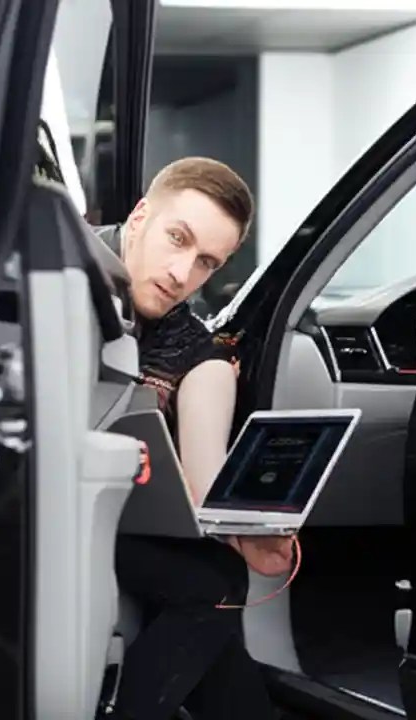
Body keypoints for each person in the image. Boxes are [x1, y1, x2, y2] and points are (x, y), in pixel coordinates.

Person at [95, 157, 294, 720]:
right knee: (214, 587)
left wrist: (242, 535)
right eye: (176, 239)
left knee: (218, 581)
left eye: (206, 262)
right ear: (139, 217)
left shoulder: (193, 347)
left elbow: (198, 494)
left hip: (114, 516)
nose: (182, 274)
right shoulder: (59, 274)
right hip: (21, 498)